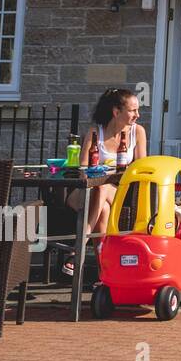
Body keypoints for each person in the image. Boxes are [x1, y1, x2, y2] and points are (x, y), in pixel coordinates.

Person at [65, 88, 148, 276]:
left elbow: (141, 168)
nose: (137, 115)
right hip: (87, 192)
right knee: (102, 209)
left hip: (118, 191)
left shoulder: (137, 132)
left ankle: (77, 249)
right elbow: (83, 168)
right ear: (116, 112)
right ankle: (105, 275)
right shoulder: (96, 133)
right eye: (133, 110)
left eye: (137, 110)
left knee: (101, 189)